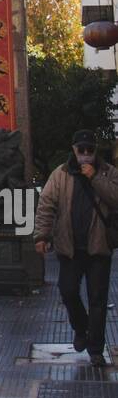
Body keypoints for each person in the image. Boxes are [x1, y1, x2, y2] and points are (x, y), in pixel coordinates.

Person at [34, 129, 118, 367]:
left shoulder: (108, 172)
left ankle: (95, 350)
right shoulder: (61, 174)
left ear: (95, 150)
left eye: (89, 150)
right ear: (73, 150)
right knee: (68, 291)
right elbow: (46, 205)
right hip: (69, 247)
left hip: (99, 247)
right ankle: (81, 329)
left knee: (98, 299)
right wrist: (42, 234)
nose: (85, 155)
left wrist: (96, 178)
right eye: (81, 150)